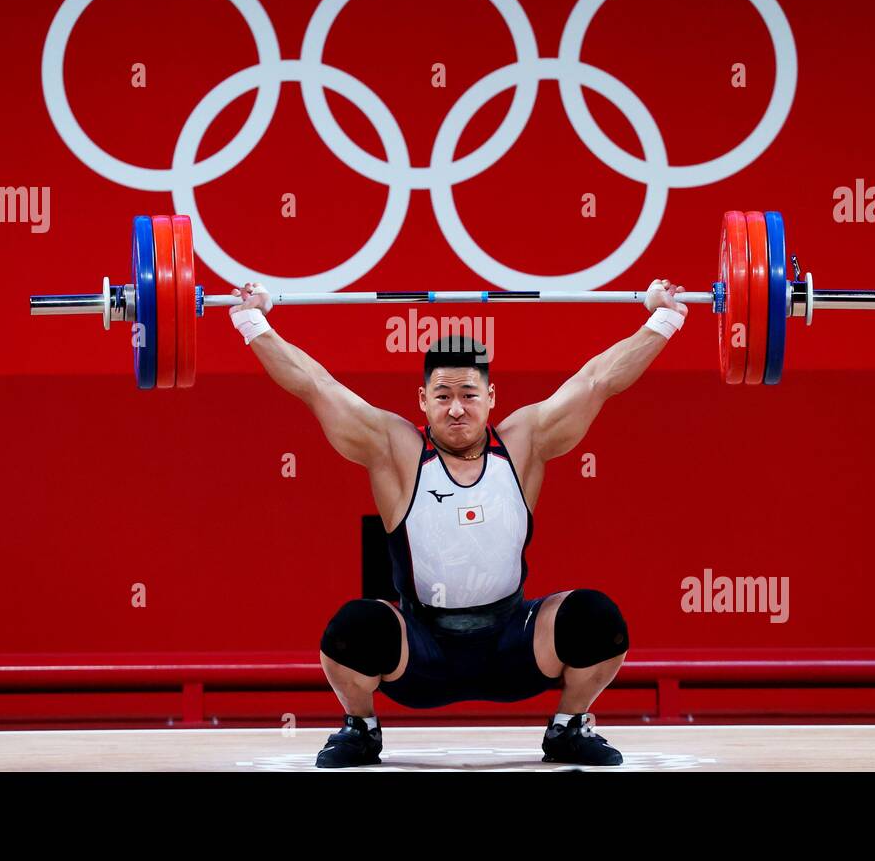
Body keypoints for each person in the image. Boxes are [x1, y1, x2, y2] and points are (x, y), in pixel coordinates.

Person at [228, 280, 688, 767]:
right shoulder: (395, 449)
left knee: (597, 620)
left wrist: (664, 318)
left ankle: (567, 726)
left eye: (468, 394)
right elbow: (315, 385)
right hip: (421, 653)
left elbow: (598, 380)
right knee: (353, 628)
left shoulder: (524, 442)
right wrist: (252, 320)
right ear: (422, 400)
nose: (455, 408)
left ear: (491, 396)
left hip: (515, 645)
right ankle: (361, 728)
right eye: (442, 395)